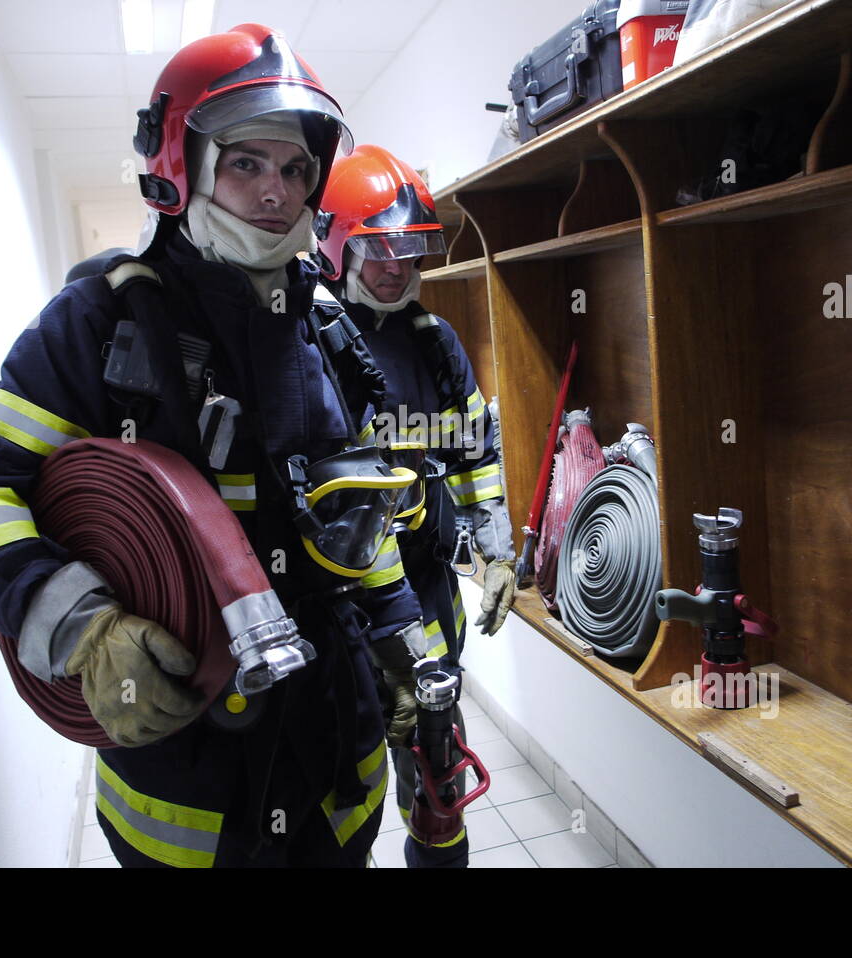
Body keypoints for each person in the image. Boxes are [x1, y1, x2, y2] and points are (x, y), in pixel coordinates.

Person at [0, 25, 426, 868]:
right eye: (247, 163)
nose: (277, 191)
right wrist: (84, 628)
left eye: (297, 169)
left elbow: (358, 515)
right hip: (187, 786)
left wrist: (398, 636)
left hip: (335, 756)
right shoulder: (100, 324)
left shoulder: (329, 331)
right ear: (182, 166)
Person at [316, 144, 517, 867]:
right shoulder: (307, 345)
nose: (397, 267)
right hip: (342, 613)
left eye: (411, 251)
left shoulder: (435, 344)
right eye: (380, 250)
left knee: (437, 781)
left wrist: (497, 553)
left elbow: (473, 461)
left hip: (428, 598)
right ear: (337, 244)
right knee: (343, 779)